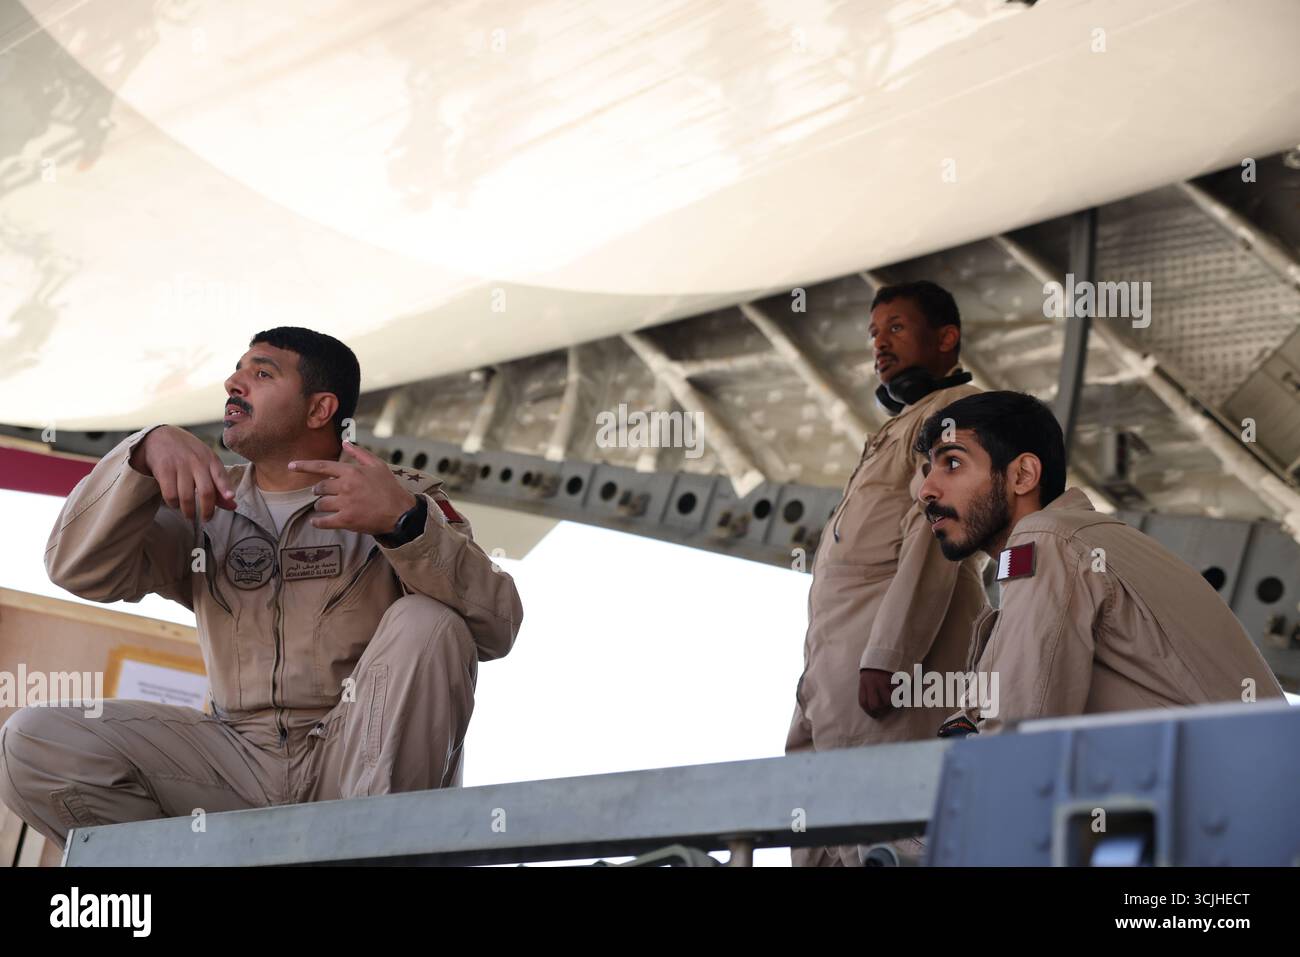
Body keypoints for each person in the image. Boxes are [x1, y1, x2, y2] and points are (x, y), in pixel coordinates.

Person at [0, 327, 523, 848]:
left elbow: (495, 626)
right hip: (232, 760)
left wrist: (404, 524)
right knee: (32, 741)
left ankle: (376, 853)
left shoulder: (399, 496)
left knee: (429, 621)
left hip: (358, 759)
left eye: (262, 373)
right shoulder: (204, 500)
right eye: (238, 370)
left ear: (319, 409)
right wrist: (141, 453)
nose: (234, 383)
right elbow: (77, 570)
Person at [912, 390, 1285, 736]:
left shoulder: (1048, 539)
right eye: (929, 469)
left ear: (1022, 475)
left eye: (953, 463)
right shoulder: (1084, 542)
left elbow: (1019, 737)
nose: (926, 490)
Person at [784, 281, 985, 866]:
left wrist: (889, 656)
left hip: (883, 665)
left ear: (946, 338)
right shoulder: (904, 423)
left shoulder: (952, 411)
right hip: (832, 665)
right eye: (874, 333)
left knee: (880, 834)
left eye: (896, 327)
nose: (879, 344)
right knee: (817, 834)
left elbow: (932, 533)